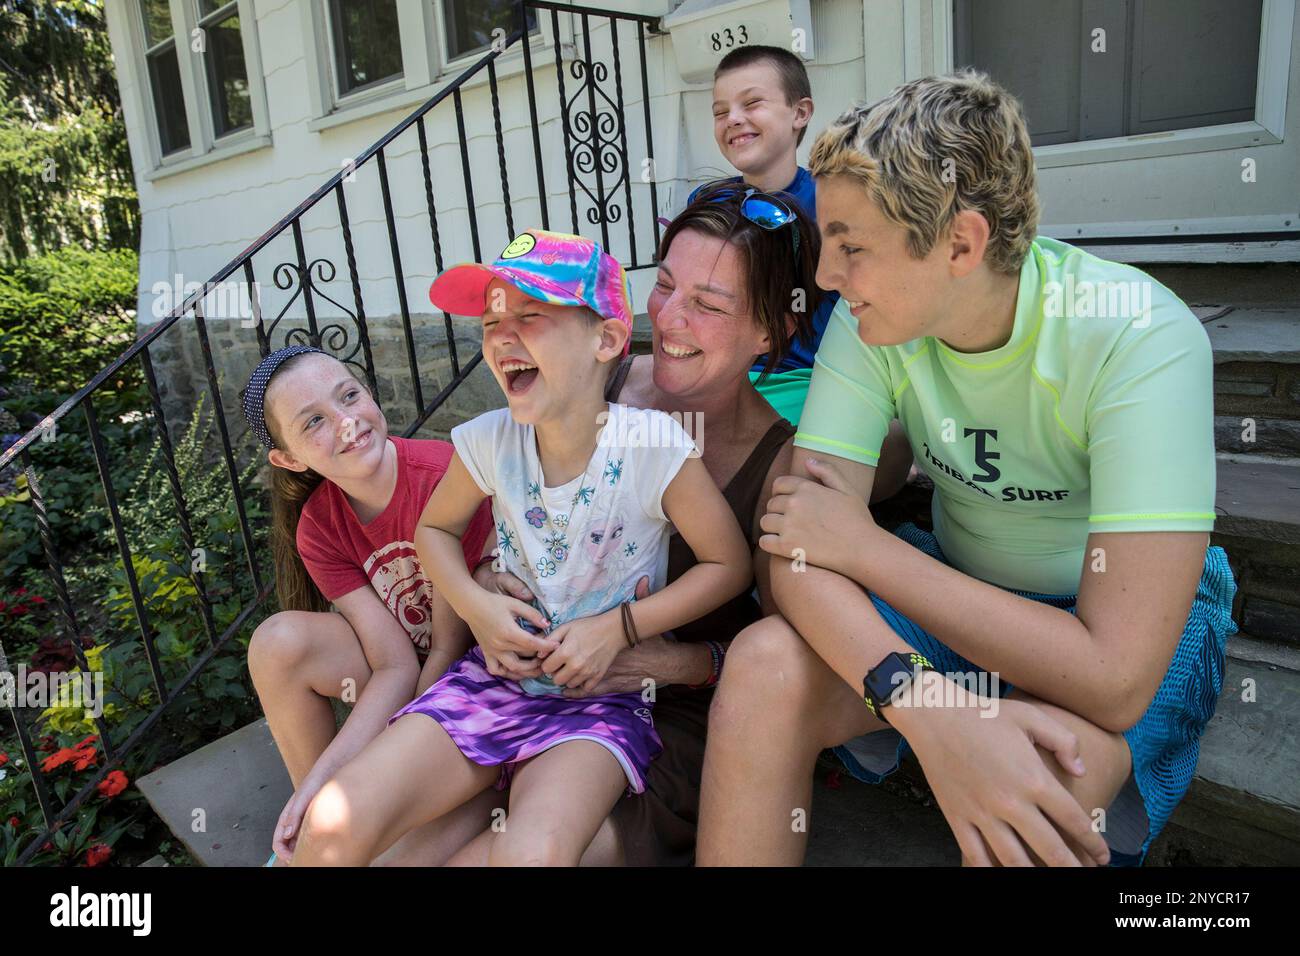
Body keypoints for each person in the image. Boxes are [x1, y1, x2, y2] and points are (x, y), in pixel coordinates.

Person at [697, 70, 1238, 867]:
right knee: (762, 665)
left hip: (1116, 620)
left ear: (960, 244)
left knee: (1058, 775)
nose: (825, 278)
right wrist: (926, 703)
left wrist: (868, 549)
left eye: (850, 247)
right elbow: (797, 548)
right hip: (955, 587)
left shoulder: (1138, 338)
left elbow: (1114, 673)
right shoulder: (871, 319)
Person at [288, 229, 752, 866]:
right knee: (332, 830)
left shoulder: (654, 446)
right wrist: (477, 607)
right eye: (492, 320)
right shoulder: (485, 441)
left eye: (531, 315)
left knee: (532, 855)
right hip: (493, 682)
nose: (502, 335)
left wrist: (620, 628)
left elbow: (730, 566)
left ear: (607, 340)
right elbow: (436, 531)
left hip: (601, 704)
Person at [240, 346, 492, 865]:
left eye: (349, 395)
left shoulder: (443, 477)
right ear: (289, 459)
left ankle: (365, 808)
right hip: (407, 667)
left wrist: (388, 752)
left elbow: (452, 644)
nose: (347, 421)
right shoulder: (319, 524)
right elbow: (393, 662)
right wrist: (320, 780)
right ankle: (314, 815)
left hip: (479, 674)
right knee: (277, 643)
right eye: (314, 421)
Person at [693, 44, 838, 426]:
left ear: (800, 112)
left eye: (752, 103)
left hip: (811, 382)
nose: (733, 119)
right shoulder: (708, 201)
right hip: (724, 378)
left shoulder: (835, 201)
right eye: (721, 111)